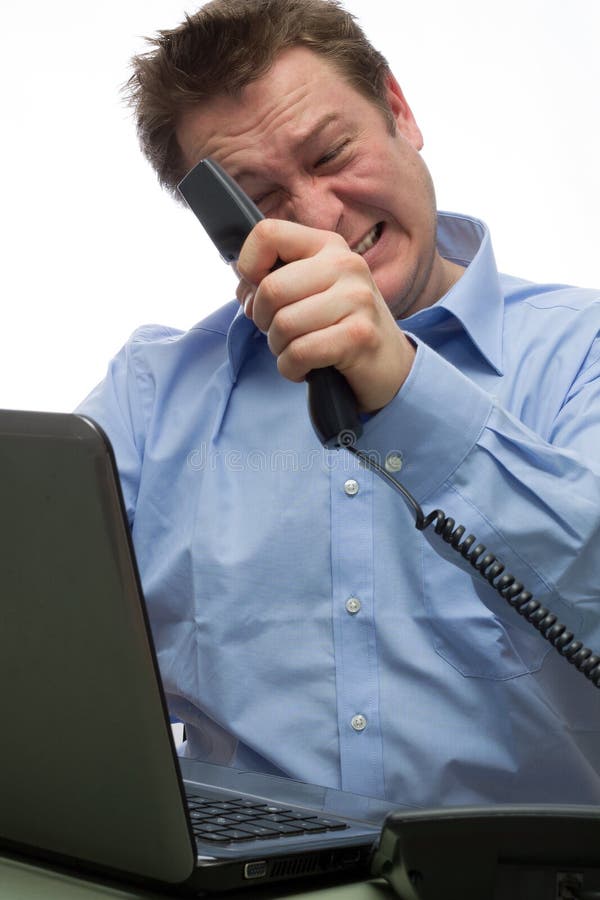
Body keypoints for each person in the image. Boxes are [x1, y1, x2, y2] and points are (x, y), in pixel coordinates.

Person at [77, 0, 600, 808]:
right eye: (259, 196)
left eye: (330, 153)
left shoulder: (583, 352)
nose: (320, 218)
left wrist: (403, 388)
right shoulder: (151, 400)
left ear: (398, 110)